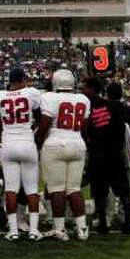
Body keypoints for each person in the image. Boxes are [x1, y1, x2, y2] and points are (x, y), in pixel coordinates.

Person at [0, 66, 43, 241]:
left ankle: (13, 230)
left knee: (11, 189)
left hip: (8, 144)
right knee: (32, 190)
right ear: (22, 80)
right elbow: (40, 120)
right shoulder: (31, 93)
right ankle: (34, 230)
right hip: (27, 142)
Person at [38, 69, 90, 240]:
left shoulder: (49, 97)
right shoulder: (83, 99)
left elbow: (45, 123)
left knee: (57, 189)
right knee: (74, 189)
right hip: (77, 143)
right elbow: (85, 126)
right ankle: (82, 228)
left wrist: (37, 142)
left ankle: (60, 230)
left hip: (55, 143)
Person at [83, 78, 130, 235]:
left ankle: (104, 221)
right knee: (121, 189)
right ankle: (127, 221)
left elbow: (88, 131)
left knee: (100, 190)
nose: (83, 91)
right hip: (115, 152)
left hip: (99, 153)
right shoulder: (120, 107)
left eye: (86, 88)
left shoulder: (94, 106)